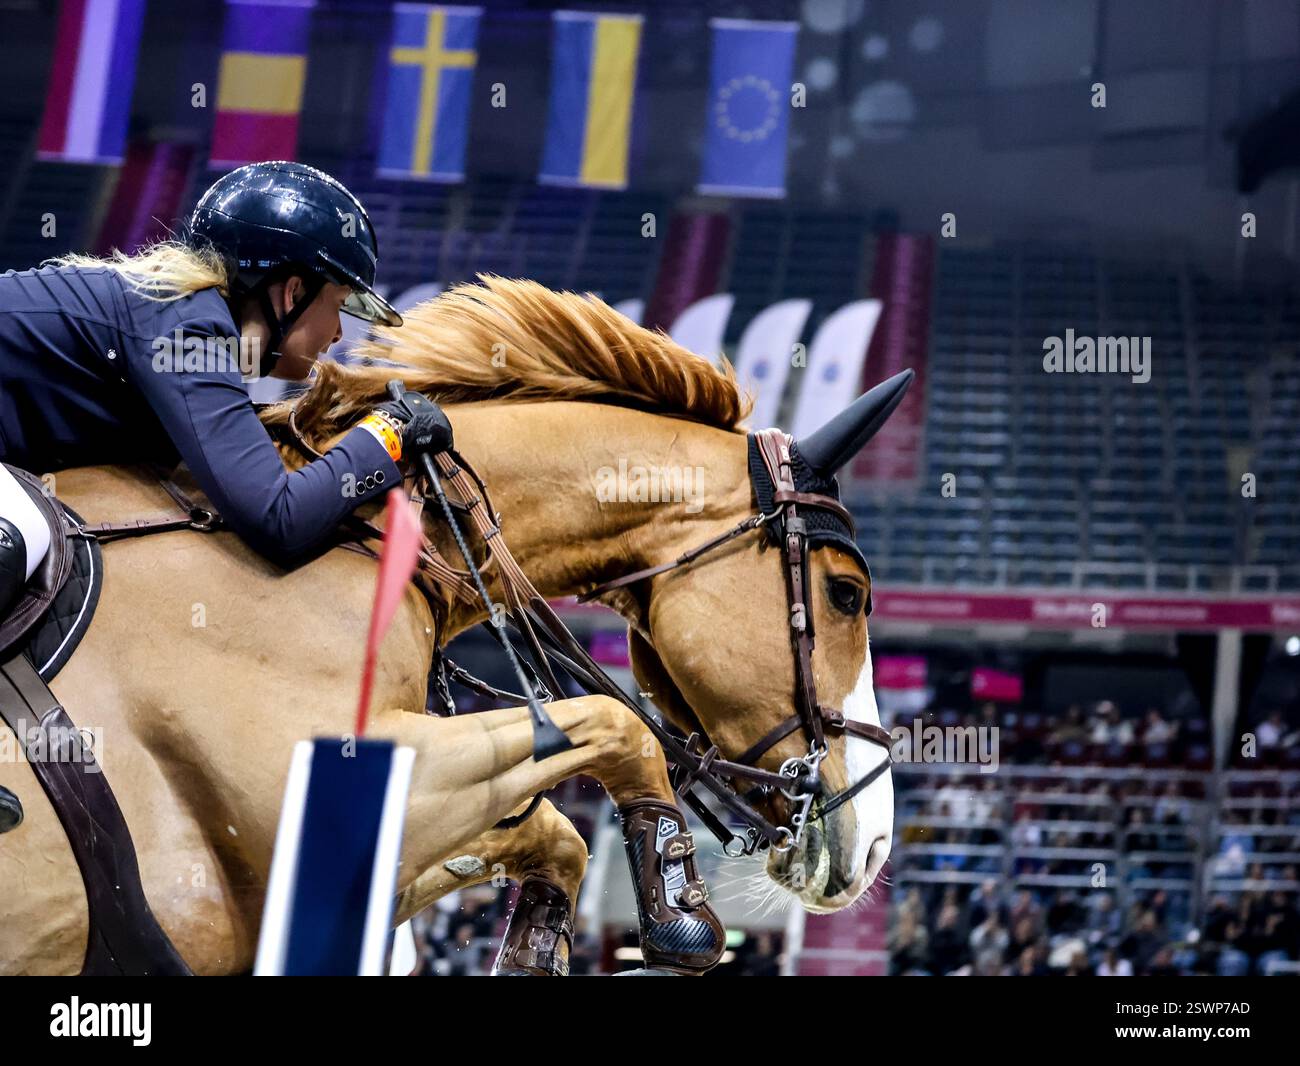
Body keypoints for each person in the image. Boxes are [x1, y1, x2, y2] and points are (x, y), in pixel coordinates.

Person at [0, 160, 443, 618]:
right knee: (16, 534)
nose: (337, 335)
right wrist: (390, 432)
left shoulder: (184, 321)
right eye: (338, 305)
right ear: (293, 291)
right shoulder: (187, 327)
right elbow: (280, 518)